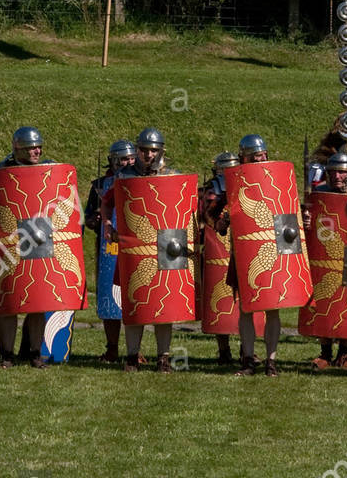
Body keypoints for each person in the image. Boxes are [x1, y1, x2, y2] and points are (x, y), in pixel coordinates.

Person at [102, 128, 185, 372]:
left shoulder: (172, 176)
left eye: (153, 150)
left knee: (164, 302)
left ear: (161, 151)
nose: (148, 154)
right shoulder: (124, 176)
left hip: (165, 246)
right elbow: (106, 203)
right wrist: (108, 223)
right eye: (144, 150)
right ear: (137, 150)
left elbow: (183, 208)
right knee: (133, 300)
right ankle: (131, 356)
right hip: (134, 247)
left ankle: (163, 357)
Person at [214, 133, 288, 376]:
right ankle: (247, 358)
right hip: (245, 251)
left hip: (272, 249)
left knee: (272, 307)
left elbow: (286, 210)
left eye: (263, 154)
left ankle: (271, 360)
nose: (261, 158)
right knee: (246, 308)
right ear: (244, 158)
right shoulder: (234, 182)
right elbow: (221, 221)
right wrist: (224, 220)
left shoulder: (276, 178)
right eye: (256, 156)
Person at [0, 126, 54, 369]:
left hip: (39, 242)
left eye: (38, 147)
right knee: (8, 302)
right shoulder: (1, 172)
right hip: (11, 244)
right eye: (31, 147)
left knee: (38, 301)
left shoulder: (48, 170)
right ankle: (6, 353)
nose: (37, 151)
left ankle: (35, 352)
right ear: (18, 148)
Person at [304, 147, 347, 371]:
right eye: (334, 172)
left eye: (342, 172)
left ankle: (344, 354)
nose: (337, 176)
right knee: (325, 299)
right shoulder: (319, 195)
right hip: (325, 254)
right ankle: (326, 353)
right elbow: (311, 226)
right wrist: (307, 219)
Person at [85, 139, 136, 363]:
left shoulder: (138, 182)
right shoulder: (100, 184)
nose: (128, 162)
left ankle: (135, 350)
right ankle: (112, 348)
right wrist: (95, 219)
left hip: (134, 247)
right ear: (113, 160)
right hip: (108, 248)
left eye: (131, 158)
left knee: (134, 297)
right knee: (109, 297)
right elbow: (88, 219)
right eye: (123, 159)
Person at [200, 150, 245, 365]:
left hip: (243, 249)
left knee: (246, 302)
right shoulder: (213, 189)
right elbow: (207, 215)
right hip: (218, 249)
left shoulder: (247, 185)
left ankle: (248, 349)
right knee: (219, 300)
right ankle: (224, 349)